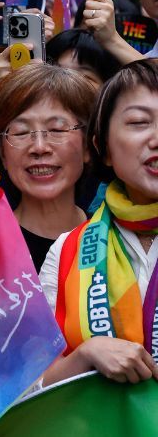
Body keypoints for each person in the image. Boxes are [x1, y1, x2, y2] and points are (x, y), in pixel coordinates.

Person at [41, 59, 158, 386]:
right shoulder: (67, 251)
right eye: (138, 122)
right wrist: (85, 355)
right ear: (102, 147)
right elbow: (27, 387)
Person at [0, 64, 98, 273]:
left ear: (88, 145)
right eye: (21, 132)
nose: (39, 147)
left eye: (57, 129)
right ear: (2, 153)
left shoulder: (117, 244)